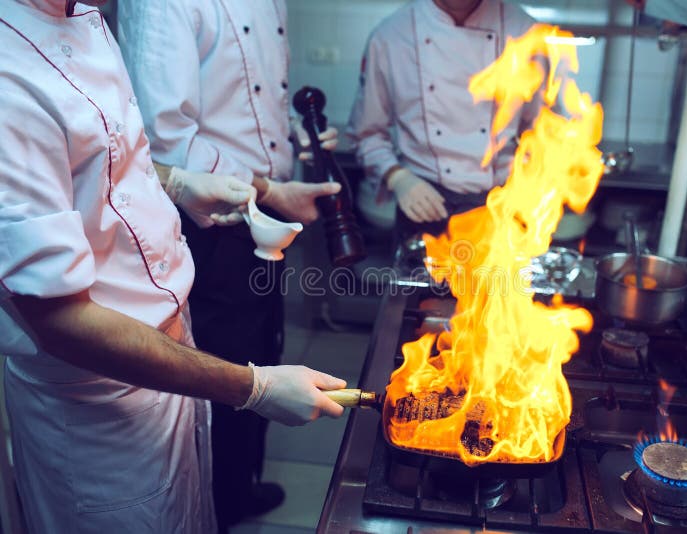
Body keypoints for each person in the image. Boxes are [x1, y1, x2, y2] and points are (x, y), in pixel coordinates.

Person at [0, 1, 346, 532]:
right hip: (96, 400)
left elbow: (106, 159)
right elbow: (59, 322)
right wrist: (251, 387)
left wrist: (180, 184)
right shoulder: (8, 77)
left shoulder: (82, 15)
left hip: (164, 355)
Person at [115, 1, 340, 530]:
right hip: (207, 219)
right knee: (224, 361)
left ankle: (239, 488)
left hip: (259, 215)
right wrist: (269, 189)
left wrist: (291, 140)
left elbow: (251, 105)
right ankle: (218, 500)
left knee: (264, 347)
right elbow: (169, 138)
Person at [348, 0, 537, 240]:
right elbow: (367, 133)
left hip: (503, 207)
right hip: (424, 204)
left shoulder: (525, 31)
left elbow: (546, 131)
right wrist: (398, 177)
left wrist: (529, 187)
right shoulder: (391, 36)